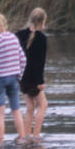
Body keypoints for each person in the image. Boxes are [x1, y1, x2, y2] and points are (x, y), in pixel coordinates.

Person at [0, 14, 26, 142]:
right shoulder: (13, 37)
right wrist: (20, 75)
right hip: (13, 79)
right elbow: (22, 59)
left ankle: (0, 140)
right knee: (16, 110)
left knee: (0, 113)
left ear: (1, 26)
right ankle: (22, 136)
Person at [16, 8, 49, 138]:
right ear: (43, 22)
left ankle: (25, 135)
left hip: (21, 77)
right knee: (43, 105)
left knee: (30, 106)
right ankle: (36, 136)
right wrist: (40, 82)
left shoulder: (19, 34)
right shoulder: (42, 38)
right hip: (33, 78)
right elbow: (40, 63)